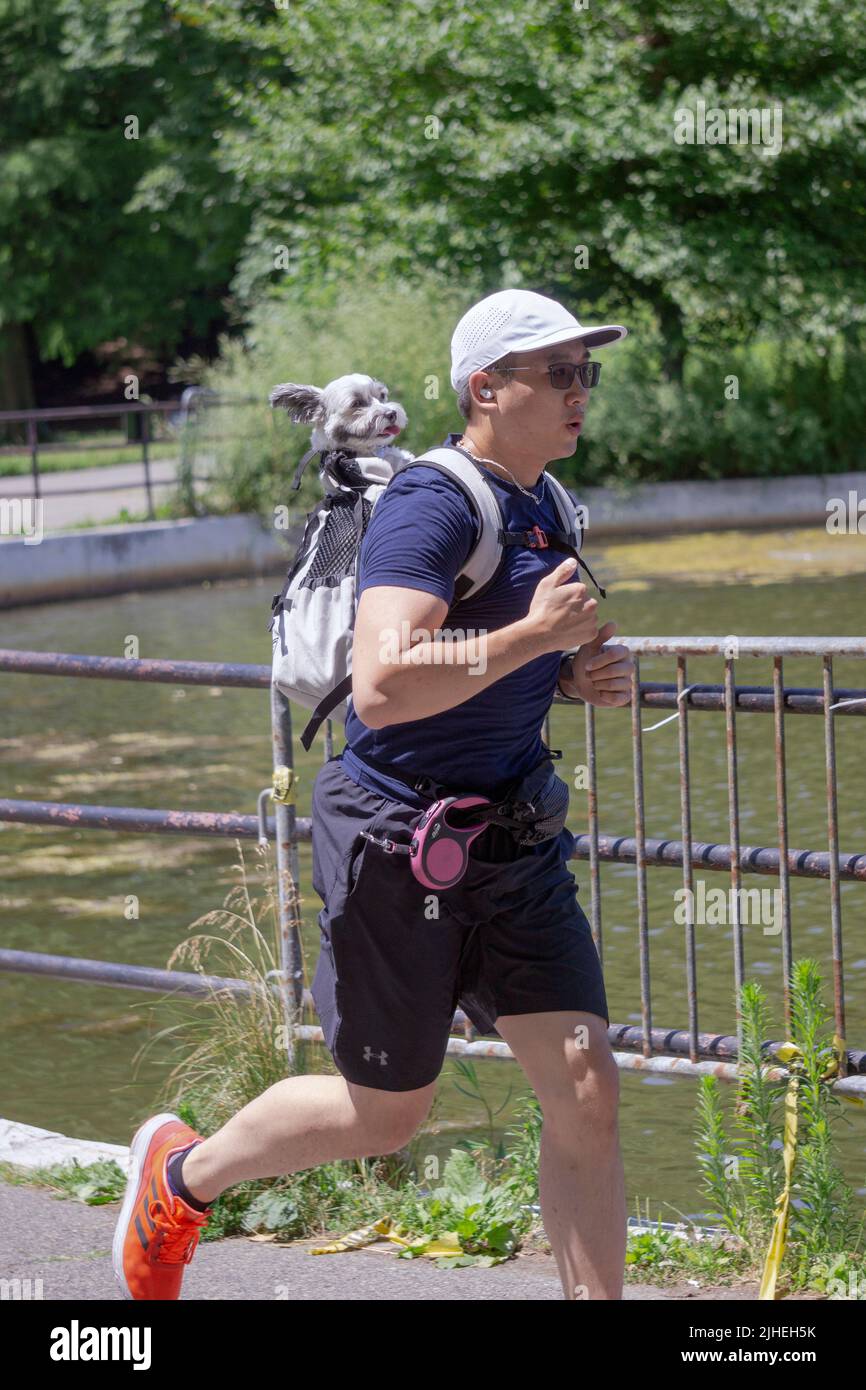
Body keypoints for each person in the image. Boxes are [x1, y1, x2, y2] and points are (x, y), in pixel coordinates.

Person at [113, 288, 636, 1302]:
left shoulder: (547, 500)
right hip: (401, 836)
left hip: (513, 836)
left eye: (587, 373)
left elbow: (487, 662)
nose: (580, 393)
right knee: (384, 1111)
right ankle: (183, 1174)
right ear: (485, 389)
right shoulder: (433, 502)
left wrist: (565, 676)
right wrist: (531, 637)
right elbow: (385, 682)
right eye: (558, 374)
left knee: (585, 1092)